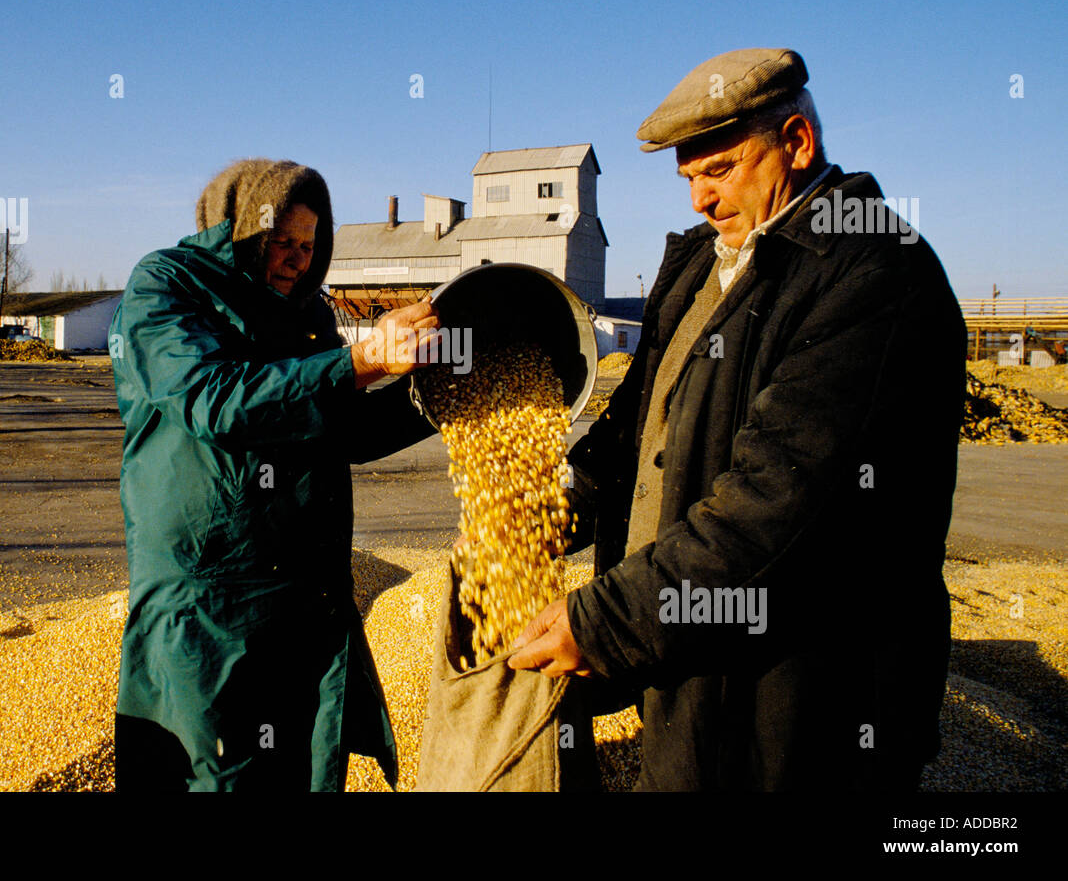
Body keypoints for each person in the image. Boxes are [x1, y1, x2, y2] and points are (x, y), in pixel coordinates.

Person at [507, 48, 968, 790]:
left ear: (796, 142)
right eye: (687, 177)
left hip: (809, 699)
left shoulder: (876, 272)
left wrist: (601, 623)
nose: (697, 199)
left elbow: (779, 505)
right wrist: (547, 509)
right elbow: (635, 431)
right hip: (698, 673)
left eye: (719, 170)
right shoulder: (701, 265)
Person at [109, 158, 440, 791]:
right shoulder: (166, 285)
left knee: (300, 766)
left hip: (303, 594)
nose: (295, 259)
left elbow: (341, 429)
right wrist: (363, 359)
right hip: (209, 595)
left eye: (309, 246)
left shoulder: (306, 312)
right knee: (213, 766)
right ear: (237, 230)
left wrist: (442, 398)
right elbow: (214, 397)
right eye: (281, 243)